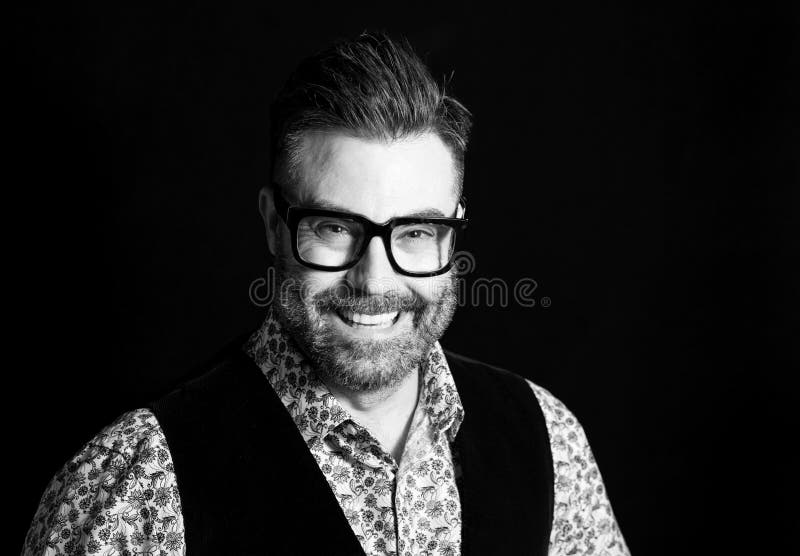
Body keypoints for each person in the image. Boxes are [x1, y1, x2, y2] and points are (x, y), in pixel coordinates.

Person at [23, 33, 629, 556]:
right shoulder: (134, 484)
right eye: (336, 228)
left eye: (416, 232)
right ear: (271, 223)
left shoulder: (549, 441)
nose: (374, 280)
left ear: (455, 228)